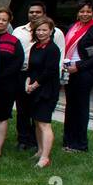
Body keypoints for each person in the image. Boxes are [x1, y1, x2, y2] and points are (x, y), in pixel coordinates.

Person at [11, 1, 65, 151]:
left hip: (45, 84)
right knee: (25, 112)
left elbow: (53, 66)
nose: (34, 14)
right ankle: (28, 142)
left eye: (38, 12)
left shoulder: (54, 41)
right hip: (28, 78)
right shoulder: (30, 40)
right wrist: (28, 82)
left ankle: (41, 150)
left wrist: (37, 84)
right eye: (31, 12)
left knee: (41, 119)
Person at [62, 0, 93, 153]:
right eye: (82, 11)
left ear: (92, 13)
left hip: (84, 73)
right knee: (70, 107)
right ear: (77, 12)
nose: (85, 14)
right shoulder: (73, 27)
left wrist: (78, 66)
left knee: (80, 108)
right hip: (69, 72)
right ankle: (67, 141)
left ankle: (80, 144)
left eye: (88, 11)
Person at [25, 18, 61, 168]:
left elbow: (50, 71)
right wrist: (27, 82)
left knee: (44, 123)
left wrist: (34, 85)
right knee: (37, 122)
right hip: (34, 88)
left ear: (51, 31)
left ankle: (45, 157)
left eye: (44, 30)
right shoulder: (35, 47)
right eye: (38, 30)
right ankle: (40, 151)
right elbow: (31, 68)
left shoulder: (52, 49)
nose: (41, 32)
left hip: (46, 90)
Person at [0, 8, 22, 160]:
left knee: (1, 116)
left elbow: (17, 64)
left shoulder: (14, 41)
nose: (0, 22)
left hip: (5, 86)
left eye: (4, 20)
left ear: (8, 22)